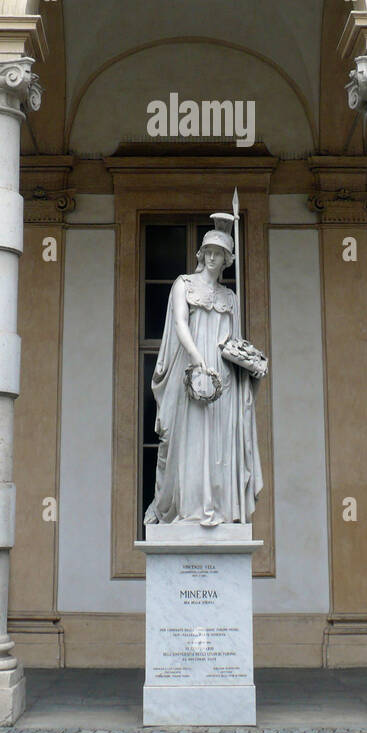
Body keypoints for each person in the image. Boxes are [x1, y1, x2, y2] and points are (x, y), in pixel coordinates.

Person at [144, 216, 263, 526]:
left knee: (220, 445)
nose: (211, 258)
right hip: (194, 377)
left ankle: (219, 509)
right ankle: (189, 510)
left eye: (218, 254)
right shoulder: (183, 285)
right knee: (190, 441)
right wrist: (198, 359)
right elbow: (181, 324)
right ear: (201, 255)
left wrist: (249, 363)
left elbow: (234, 342)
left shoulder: (230, 298)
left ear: (226, 260)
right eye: (207, 252)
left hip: (223, 379)